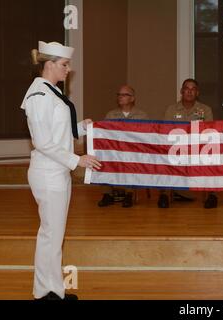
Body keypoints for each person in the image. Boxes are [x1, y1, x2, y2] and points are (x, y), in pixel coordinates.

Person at [21, 41, 101, 300]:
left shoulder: (51, 91)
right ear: (50, 64)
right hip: (48, 173)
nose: (68, 69)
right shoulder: (39, 94)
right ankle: (46, 293)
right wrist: (76, 160)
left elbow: (58, 130)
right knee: (50, 236)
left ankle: (52, 290)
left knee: (53, 236)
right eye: (64, 65)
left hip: (56, 172)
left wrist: (83, 127)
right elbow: (42, 141)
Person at [159, 79, 217, 209]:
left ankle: (212, 195)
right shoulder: (171, 109)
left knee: (212, 157)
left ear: (197, 92)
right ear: (181, 91)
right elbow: (166, 132)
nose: (189, 91)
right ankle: (164, 194)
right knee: (164, 157)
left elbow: (208, 132)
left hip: (199, 149)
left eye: (193, 89)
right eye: (187, 88)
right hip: (177, 149)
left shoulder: (205, 110)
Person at [97, 85, 147, 208]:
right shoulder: (111, 115)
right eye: (119, 95)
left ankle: (129, 194)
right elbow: (105, 135)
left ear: (132, 98)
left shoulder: (142, 115)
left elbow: (145, 137)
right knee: (102, 159)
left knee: (131, 159)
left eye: (124, 95)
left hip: (133, 151)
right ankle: (107, 194)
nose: (120, 97)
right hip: (115, 150)